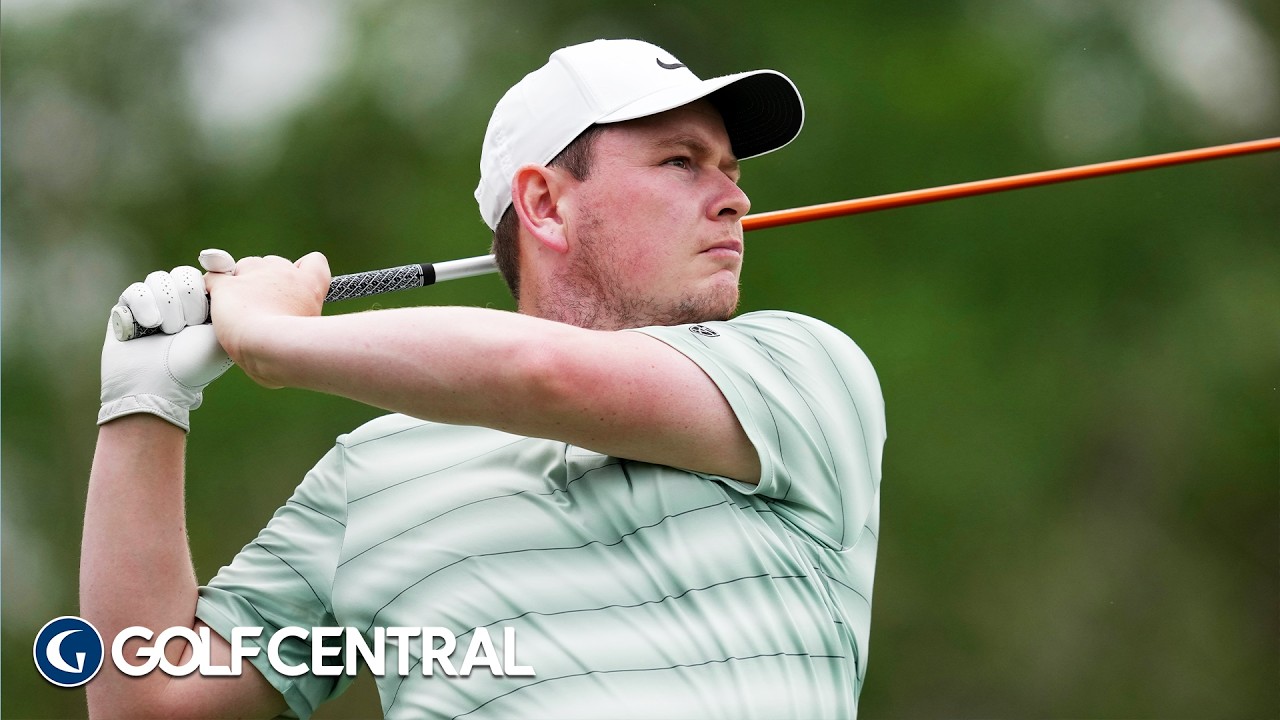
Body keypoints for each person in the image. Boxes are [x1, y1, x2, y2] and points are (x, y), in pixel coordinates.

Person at [83, 38, 886, 719]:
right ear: (543, 204)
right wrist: (144, 402)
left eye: (732, 170)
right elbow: (148, 692)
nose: (733, 200)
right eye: (683, 163)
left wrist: (270, 335)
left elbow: (543, 376)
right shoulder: (369, 474)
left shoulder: (801, 369)